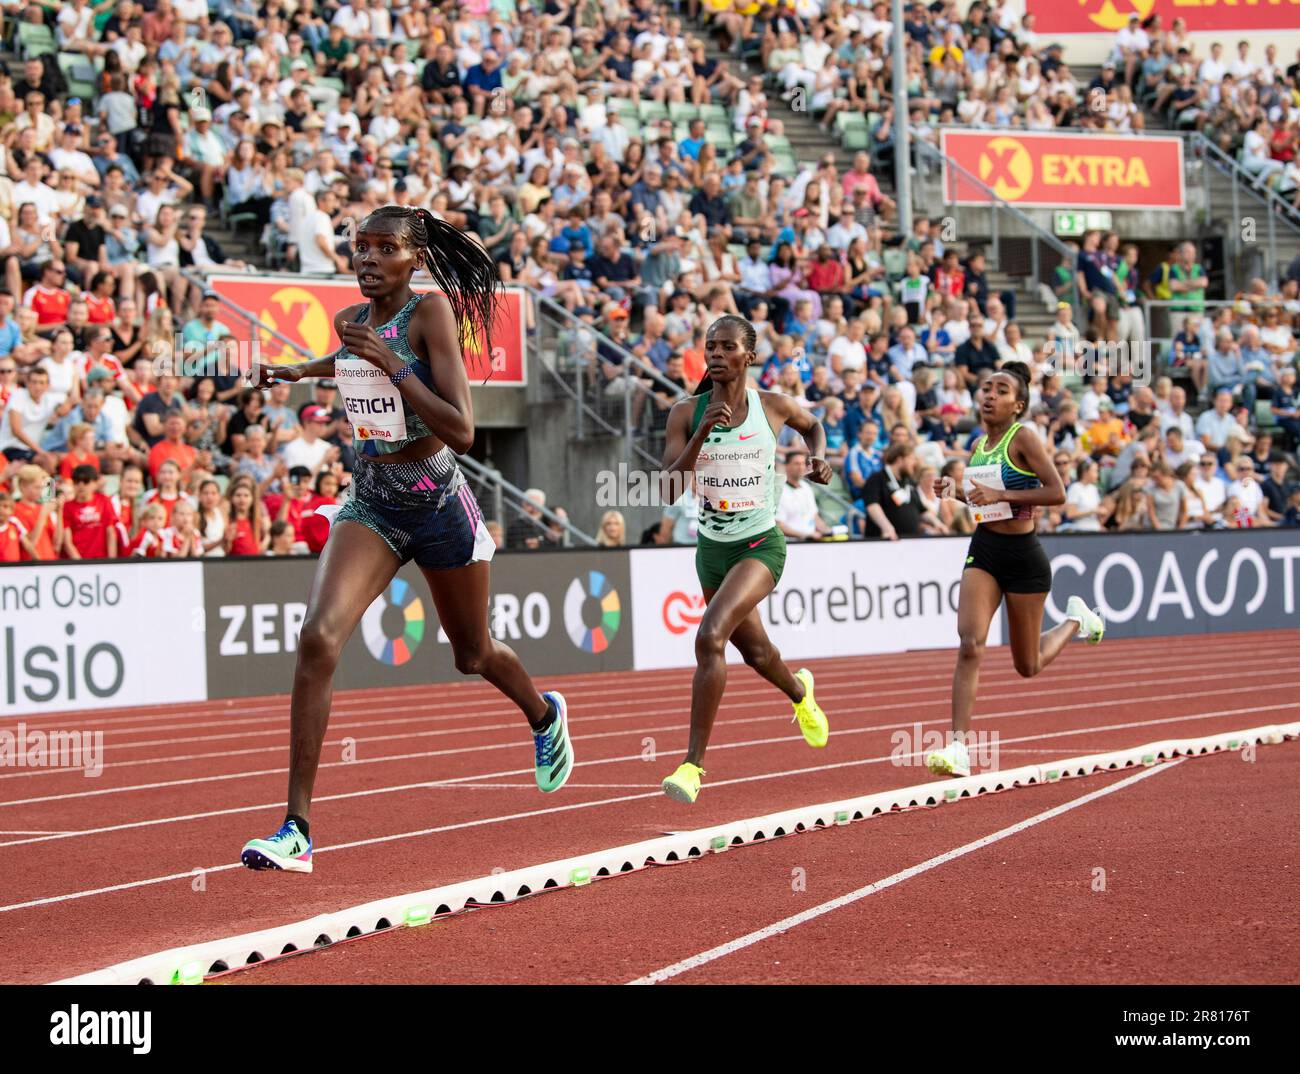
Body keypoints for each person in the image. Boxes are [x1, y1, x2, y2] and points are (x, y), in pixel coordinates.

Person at [240, 206, 572, 873]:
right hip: (372, 503)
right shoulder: (350, 321)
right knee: (318, 637)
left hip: (439, 505)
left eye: (383, 248)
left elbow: (461, 429)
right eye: (358, 247)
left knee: (472, 655)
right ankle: (297, 828)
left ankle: (542, 715)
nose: (365, 258)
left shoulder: (428, 317)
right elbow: (347, 359)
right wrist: (299, 372)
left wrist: (394, 363)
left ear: (414, 257)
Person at [656, 315, 831, 805]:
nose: (715, 354)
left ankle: (692, 766)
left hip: (760, 545)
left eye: (726, 346)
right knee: (756, 653)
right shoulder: (685, 413)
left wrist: (818, 457)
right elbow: (668, 489)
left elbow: (813, 425)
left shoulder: (771, 406)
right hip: (711, 552)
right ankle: (800, 693)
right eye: (709, 346)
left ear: (748, 357)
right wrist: (698, 438)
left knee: (710, 637)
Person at [928, 362, 1105, 778]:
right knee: (971, 643)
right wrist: (954, 492)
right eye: (986, 387)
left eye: (1000, 390)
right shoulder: (978, 444)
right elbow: (987, 503)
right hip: (985, 550)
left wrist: (1000, 491)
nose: (988, 394)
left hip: (1024, 557)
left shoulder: (1023, 437)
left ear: (1018, 404)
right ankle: (958, 748)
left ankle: (1076, 621)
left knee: (1027, 665)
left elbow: (1056, 492)